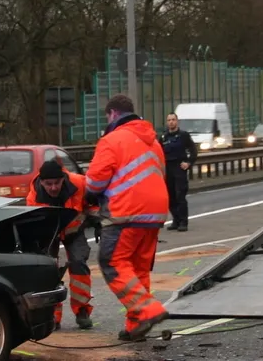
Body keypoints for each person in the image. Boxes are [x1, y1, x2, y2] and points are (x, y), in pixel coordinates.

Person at [85, 94, 170, 341]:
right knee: (138, 268)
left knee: (112, 262)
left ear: (112, 113)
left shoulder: (111, 140)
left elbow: (95, 182)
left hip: (126, 213)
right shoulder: (153, 142)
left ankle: (147, 309)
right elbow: (159, 175)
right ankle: (136, 326)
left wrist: (90, 196)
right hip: (155, 213)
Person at [26, 159, 96, 330]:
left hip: (74, 230)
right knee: (49, 269)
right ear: (41, 182)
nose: (53, 188)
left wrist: (97, 221)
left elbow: (94, 203)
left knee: (78, 263)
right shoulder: (34, 198)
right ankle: (52, 315)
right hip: (49, 233)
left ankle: (82, 311)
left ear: (63, 178)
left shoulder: (80, 183)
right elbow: (33, 225)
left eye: (57, 183)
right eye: (48, 184)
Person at [159, 113, 198, 232]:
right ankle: (176, 220)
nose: (171, 122)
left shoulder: (183, 135)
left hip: (179, 168)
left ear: (177, 121)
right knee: (170, 196)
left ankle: (183, 221)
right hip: (168, 168)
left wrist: (188, 162)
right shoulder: (163, 137)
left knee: (180, 195)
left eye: (173, 120)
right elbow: (158, 152)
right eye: (169, 120)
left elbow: (193, 150)